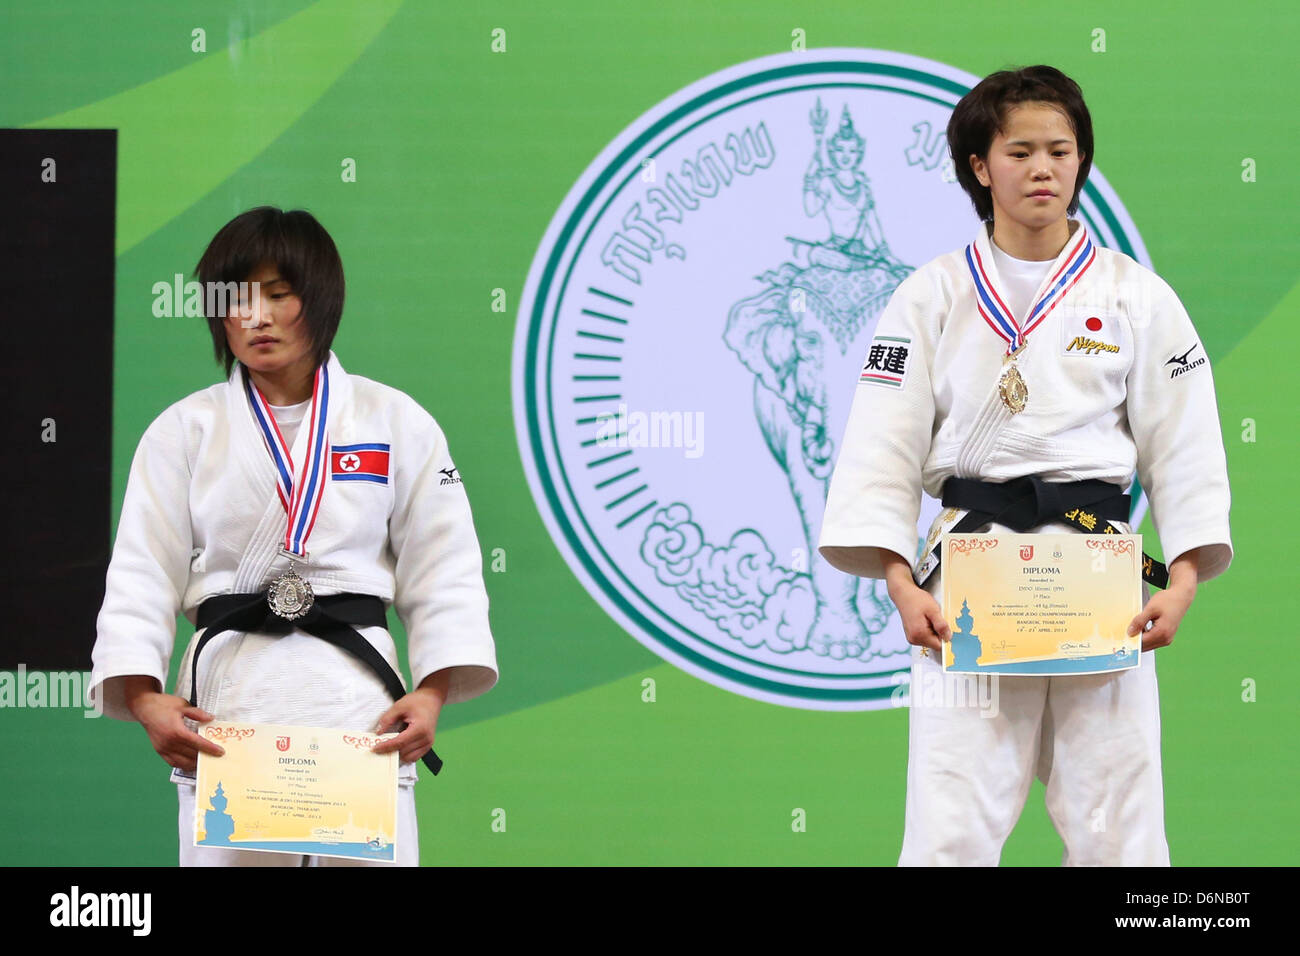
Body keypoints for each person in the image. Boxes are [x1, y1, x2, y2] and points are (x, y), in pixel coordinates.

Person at [818, 66, 1232, 866]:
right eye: (1020, 151)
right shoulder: (929, 296)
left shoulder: (1136, 297)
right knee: (949, 827)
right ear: (981, 165)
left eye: (1060, 150)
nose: (1042, 169)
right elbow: (881, 447)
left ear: (1080, 162)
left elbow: (1185, 446)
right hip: (967, 580)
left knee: (1121, 830)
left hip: (1100, 580)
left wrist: (1179, 579)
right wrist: (901, 583)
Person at [89, 206, 498, 866]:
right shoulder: (184, 430)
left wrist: (432, 690)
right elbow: (140, 572)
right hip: (229, 709)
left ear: (321, 299)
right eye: (237, 299)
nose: (256, 317)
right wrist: (143, 699)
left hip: (359, 706)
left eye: (278, 295)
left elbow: (445, 566)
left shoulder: (394, 420)